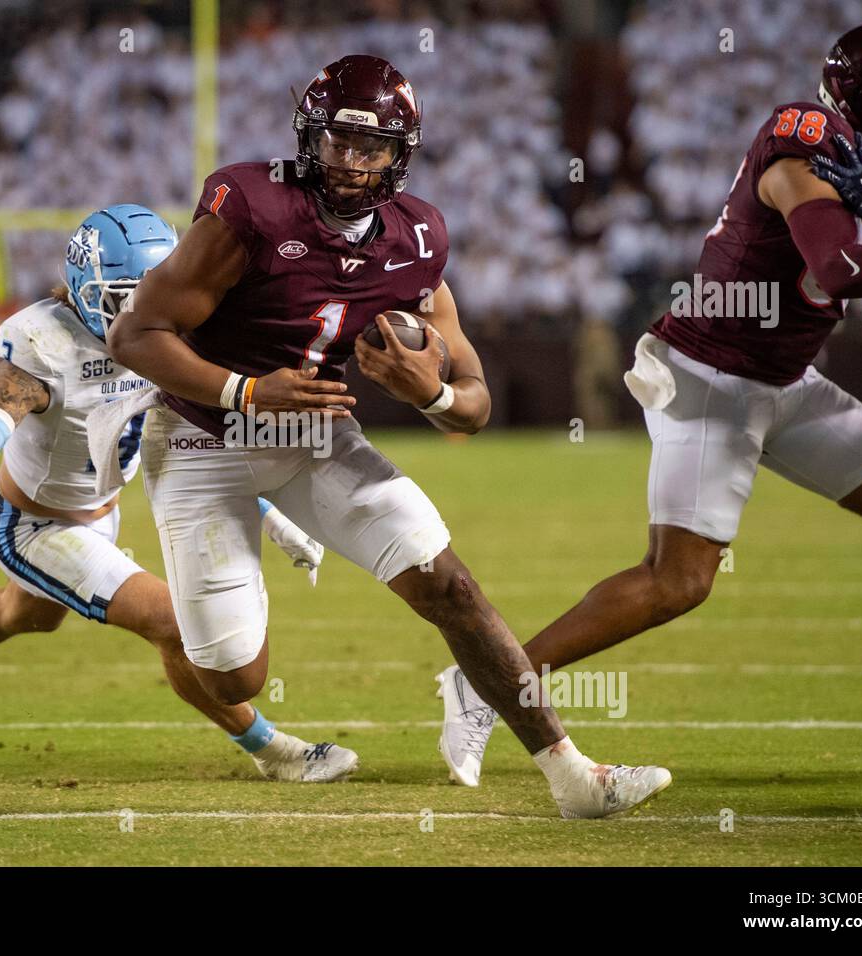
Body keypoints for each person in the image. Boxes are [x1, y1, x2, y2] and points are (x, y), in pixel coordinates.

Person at [103, 55, 671, 818]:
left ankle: (574, 777)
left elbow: (474, 404)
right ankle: (227, 594)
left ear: (400, 156)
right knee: (234, 675)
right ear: (309, 139)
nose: (349, 162)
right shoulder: (252, 210)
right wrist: (243, 388)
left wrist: (429, 391)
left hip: (313, 433)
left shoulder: (418, 238)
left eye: (369, 149)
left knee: (451, 585)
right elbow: (134, 335)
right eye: (336, 142)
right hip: (203, 436)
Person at [441, 19, 862, 785]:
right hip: (711, 378)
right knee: (679, 580)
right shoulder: (803, 140)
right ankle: (486, 681)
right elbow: (837, 265)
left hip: (784, 379)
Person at [0, 204, 357, 783]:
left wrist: (270, 516)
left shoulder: (166, 333)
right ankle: (273, 750)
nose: (144, 308)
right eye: (127, 294)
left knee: (24, 614)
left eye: (156, 288)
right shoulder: (43, 345)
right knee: (172, 621)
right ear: (87, 289)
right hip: (34, 527)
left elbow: (194, 443)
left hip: (103, 514)